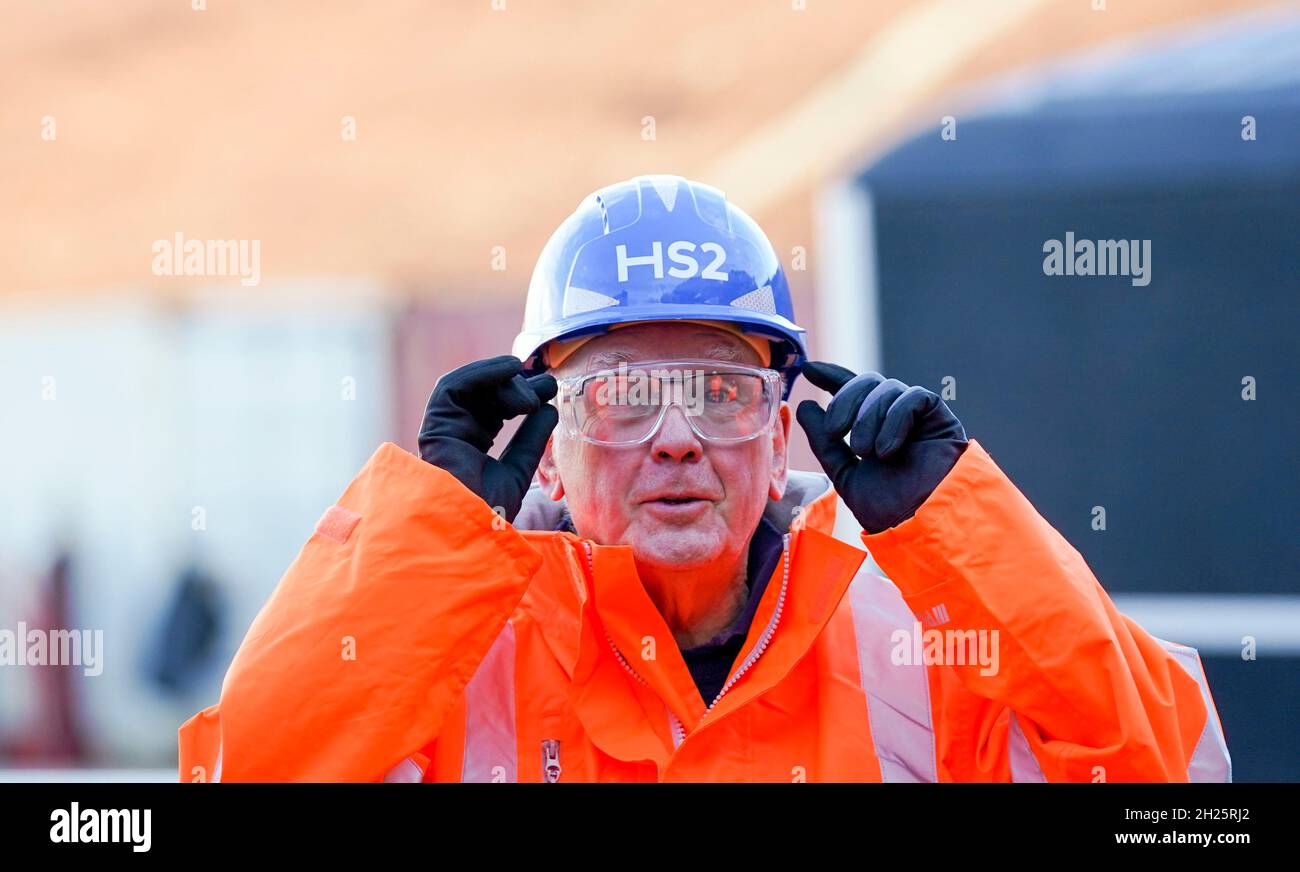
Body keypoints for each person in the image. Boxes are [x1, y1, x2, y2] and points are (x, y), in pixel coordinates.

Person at [178, 175, 1229, 782]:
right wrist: (427, 534)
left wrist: (971, 534)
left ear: (781, 433)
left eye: (721, 393)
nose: (676, 438)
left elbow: (1174, 787)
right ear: (549, 439)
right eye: (621, 393)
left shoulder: (912, 643)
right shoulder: (453, 654)